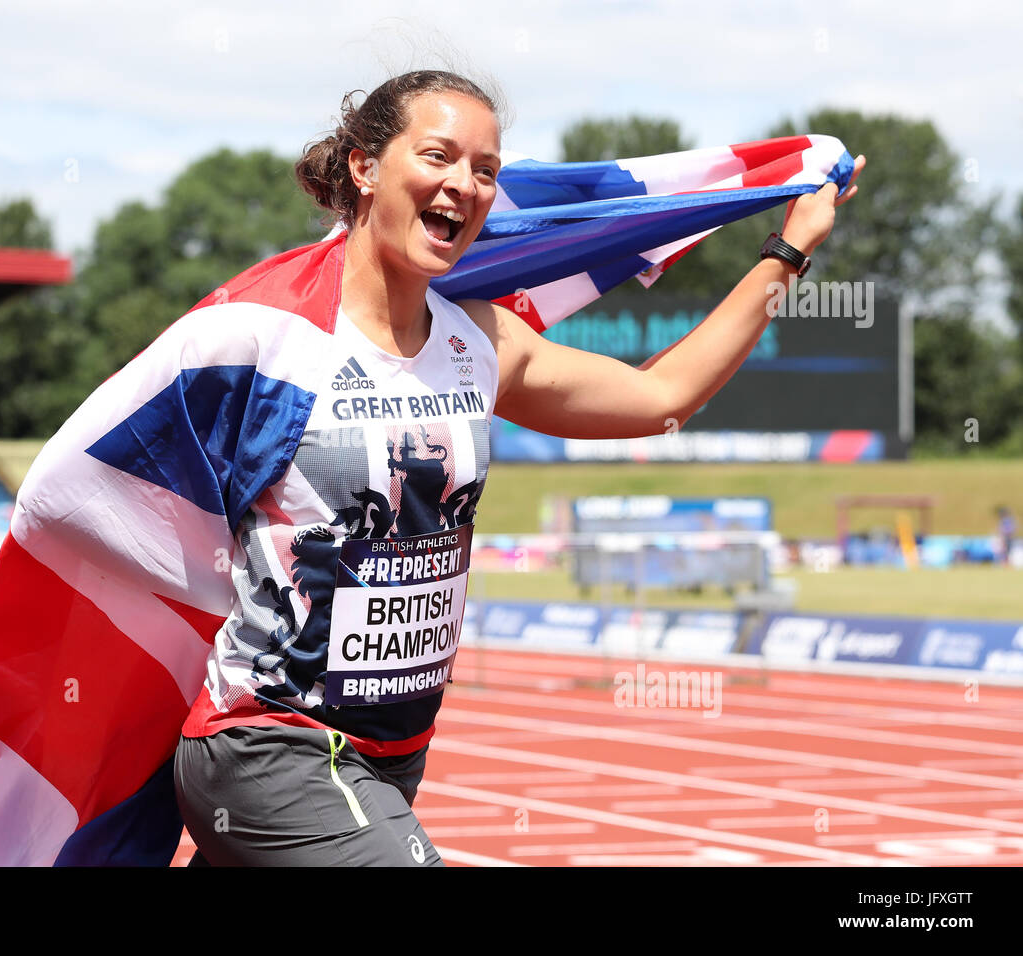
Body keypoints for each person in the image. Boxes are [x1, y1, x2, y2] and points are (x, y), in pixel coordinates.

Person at [171, 69, 865, 866]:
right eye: (439, 156)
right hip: (272, 746)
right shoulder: (275, 338)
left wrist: (789, 249)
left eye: (486, 170)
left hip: (394, 755)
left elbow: (661, 396)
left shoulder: (477, 342)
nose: (464, 185)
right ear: (364, 167)